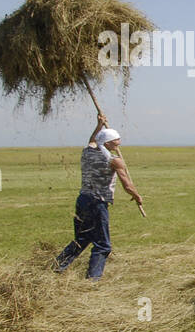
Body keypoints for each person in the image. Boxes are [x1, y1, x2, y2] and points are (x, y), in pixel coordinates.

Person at [53, 113, 144, 280]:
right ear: (108, 143)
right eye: (117, 140)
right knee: (102, 245)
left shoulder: (87, 153)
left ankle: (57, 267)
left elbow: (92, 141)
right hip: (98, 203)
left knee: (82, 239)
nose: (120, 142)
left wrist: (99, 125)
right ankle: (93, 279)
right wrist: (137, 196)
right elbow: (127, 184)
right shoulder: (115, 161)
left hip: (82, 200)